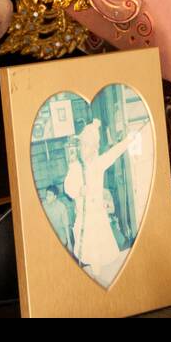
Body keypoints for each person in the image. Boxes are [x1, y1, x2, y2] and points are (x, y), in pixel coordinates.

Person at [62, 120, 148, 280]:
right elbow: (68, 187)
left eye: (86, 146)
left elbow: (114, 152)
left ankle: (100, 277)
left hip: (98, 215)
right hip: (85, 216)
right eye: (81, 145)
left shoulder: (98, 163)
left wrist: (130, 139)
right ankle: (96, 278)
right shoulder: (75, 167)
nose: (82, 149)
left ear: (94, 148)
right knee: (91, 252)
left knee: (101, 251)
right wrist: (79, 191)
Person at [41, 186, 73, 252]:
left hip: (60, 233)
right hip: (48, 233)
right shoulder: (43, 205)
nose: (47, 197)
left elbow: (66, 225)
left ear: (55, 197)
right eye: (46, 194)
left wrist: (69, 244)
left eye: (50, 195)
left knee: (61, 243)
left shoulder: (61, 207)